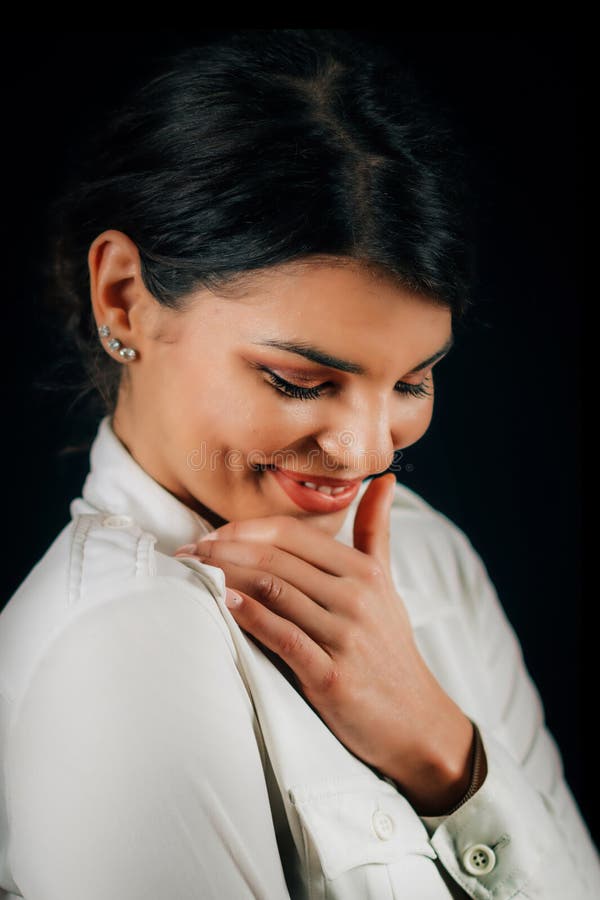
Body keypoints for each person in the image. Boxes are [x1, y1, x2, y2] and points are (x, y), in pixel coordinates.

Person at [0, 29, 596, 900]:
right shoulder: (122, 646)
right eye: (299, 380)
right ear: (123, 296)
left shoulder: (428, 558)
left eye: (414, 382)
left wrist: (441, 751)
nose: (368, 452)